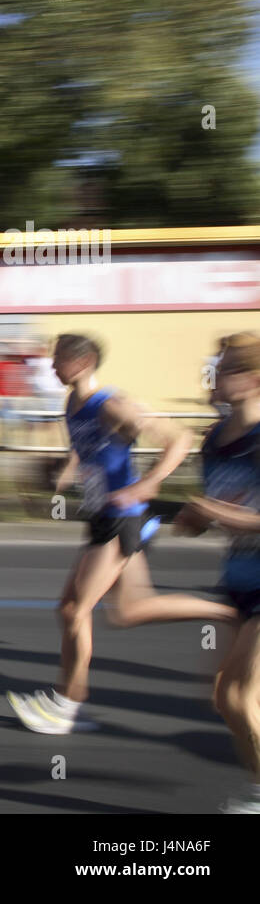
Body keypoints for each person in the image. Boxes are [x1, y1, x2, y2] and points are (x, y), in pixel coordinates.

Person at [7, 333, 236, 734]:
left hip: (123, 519)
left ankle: (66, 703)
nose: (52, 367)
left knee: (74, 609)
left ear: (83, 362)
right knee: (130, 610)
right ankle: (229, 612)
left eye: (58, 360)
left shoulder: (110, 403)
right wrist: (61, 472)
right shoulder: (73, 405)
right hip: (102, 517)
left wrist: (149, 483)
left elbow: (178, 440)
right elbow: (86, 449)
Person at [175, 332, 260, 813]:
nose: (213, 376)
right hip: (238, 581)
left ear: (251, 380)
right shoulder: (214, 441)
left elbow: (233, 512)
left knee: (241, 695)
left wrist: (216, 512)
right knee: (225, 700)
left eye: (224, 368)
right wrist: (194, 520)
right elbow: (210, 517)